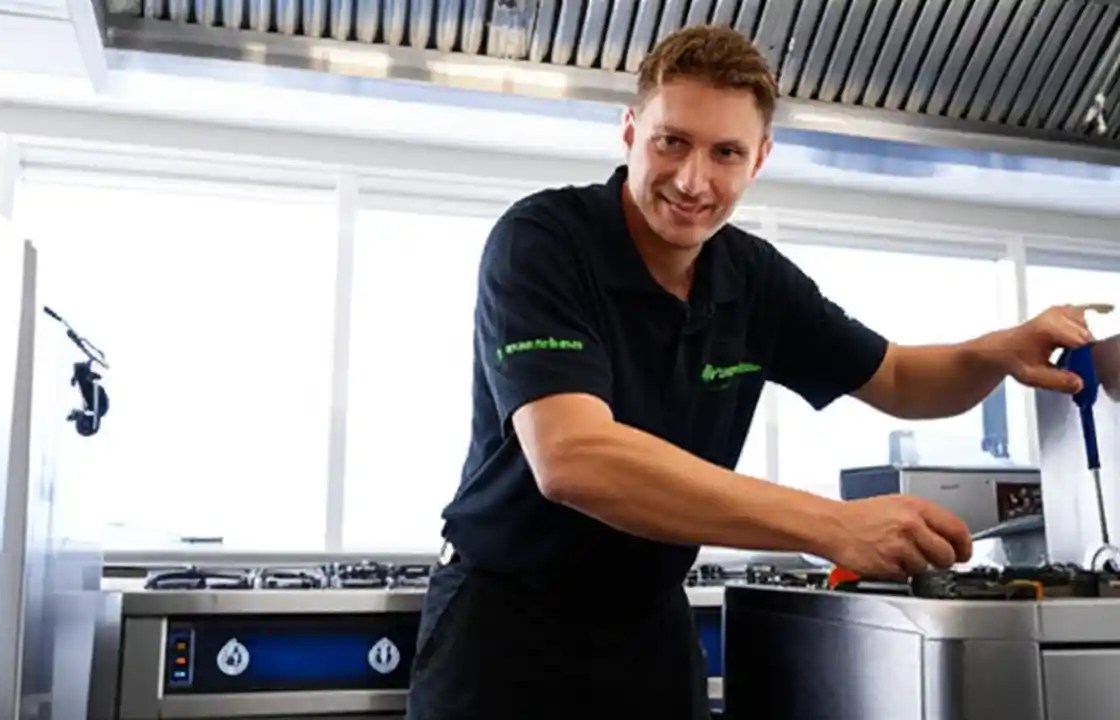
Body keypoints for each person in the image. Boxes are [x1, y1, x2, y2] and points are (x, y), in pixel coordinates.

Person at [405, 23, 1102, 720]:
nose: (692, 180)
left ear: (759, 158)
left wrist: (993, 352)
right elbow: (573, 459)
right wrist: (829, 525)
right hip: (504, 629)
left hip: (648, 630)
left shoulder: (753, 279)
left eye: (725, 153)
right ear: (629, 131)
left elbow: (896, 377)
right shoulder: (544, 241)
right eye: (670, 141)